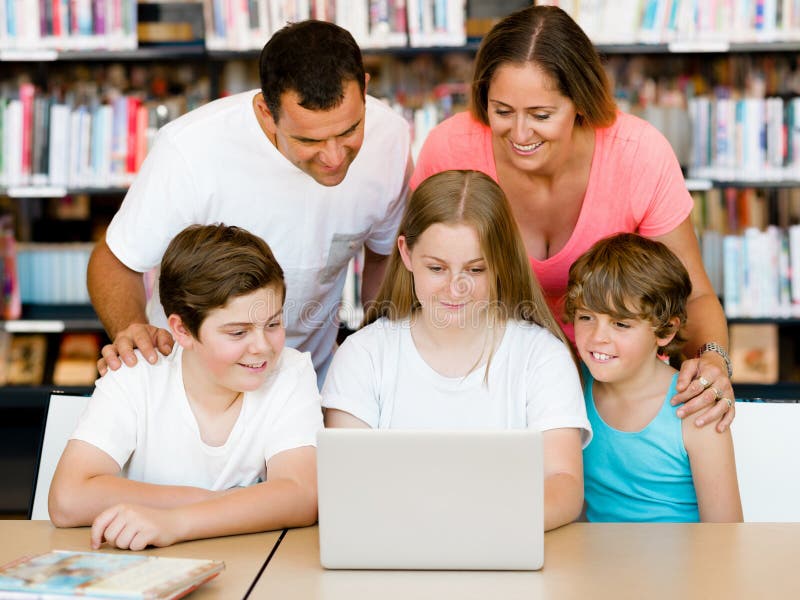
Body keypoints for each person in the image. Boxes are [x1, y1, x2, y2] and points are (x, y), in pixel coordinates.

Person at [410, 5, 734, 431]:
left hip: (616, 385)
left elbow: (692, 297)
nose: (520, 134)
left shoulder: (639, 154)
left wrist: (713, 360)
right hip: (491, 384)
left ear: (580, 103)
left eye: (541, 115)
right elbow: (417, 281)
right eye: (502, 111)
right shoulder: (451, 149)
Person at [88, 19, 412, 385]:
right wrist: (131, 328)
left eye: (350, 130)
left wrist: (377, 345)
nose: (334, 157)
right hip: (191, 383)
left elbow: (385, 255)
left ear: (366, 90)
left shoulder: (392, 139)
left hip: (307, 381)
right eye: (309, 140)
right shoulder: (190, 150)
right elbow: (115, 262)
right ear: (266, 112)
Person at [323, 170, 591, 531]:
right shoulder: (364, 356)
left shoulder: (541, 357)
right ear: (405, 253)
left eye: (475, 269)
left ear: (502, 261)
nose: (455, 288)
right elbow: (346, 489)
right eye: (436, 268)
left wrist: (473, 530)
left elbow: (564, 484)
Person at [49, 224, 323, 550]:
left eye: (274, 324)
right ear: (182, 330)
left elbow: (302, 495)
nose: (262, 347)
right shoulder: (136, 375)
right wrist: (223, 503)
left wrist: (175, 522)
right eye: (238, 333)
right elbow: (67, 499)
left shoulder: (291, 373)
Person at [565, 233, 742, 522]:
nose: (598, 338)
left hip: (686, 567)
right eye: (586, 317)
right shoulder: (571, 387)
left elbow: (727, 534)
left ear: (665, 331)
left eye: (621, 324)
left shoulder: (696, 405)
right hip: (594, 564)